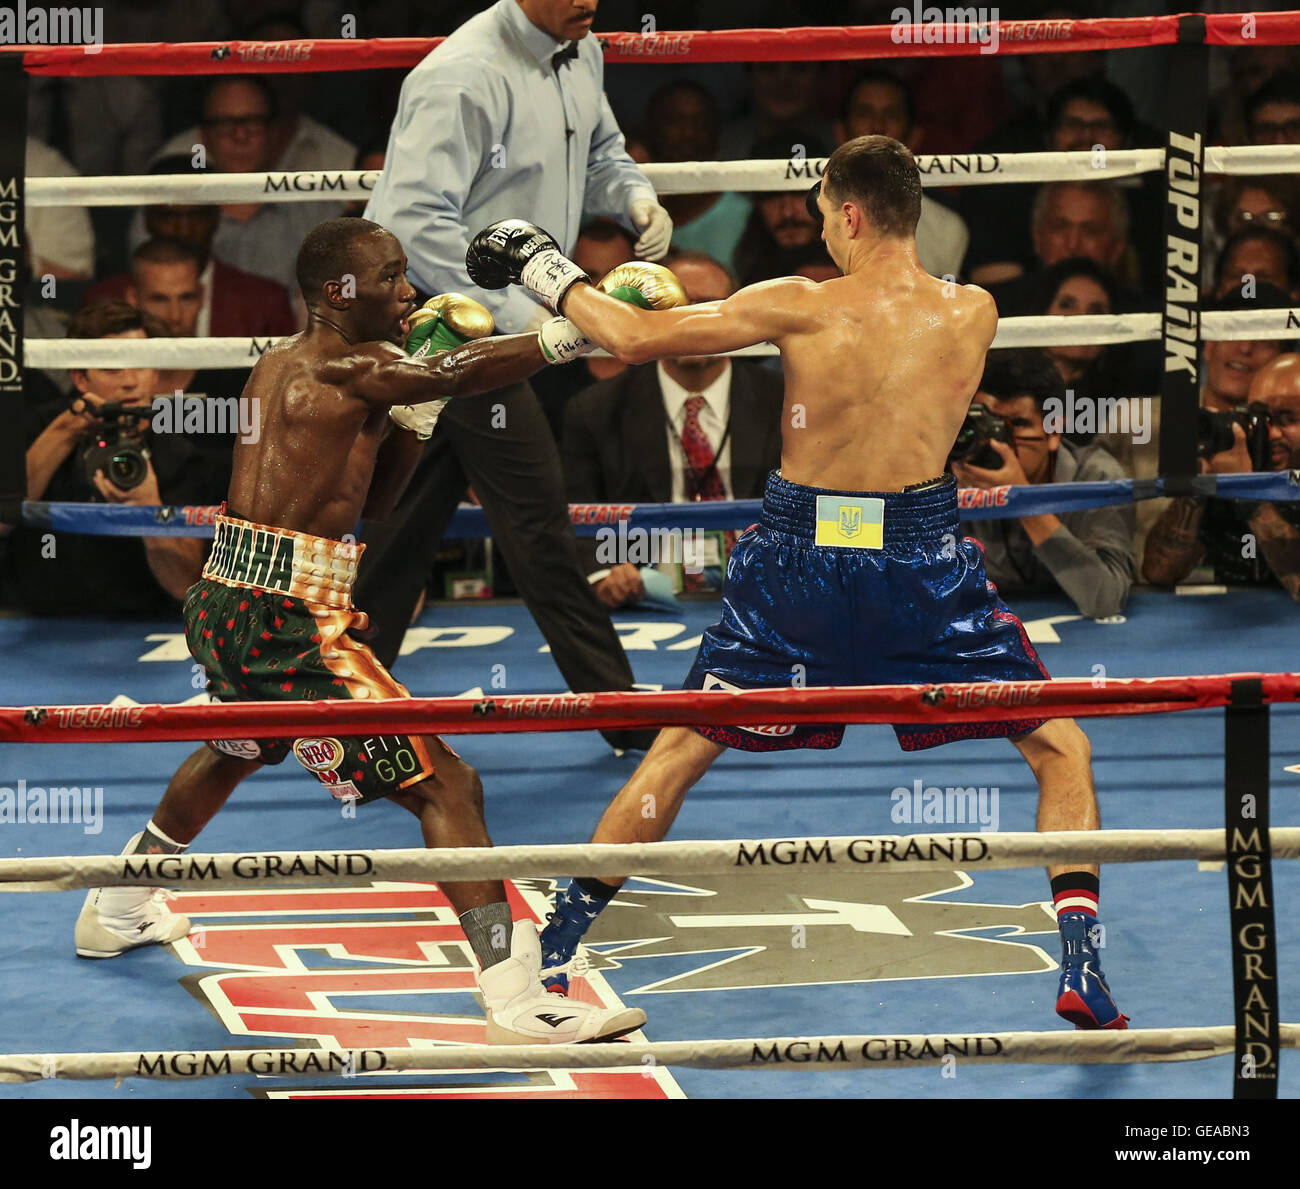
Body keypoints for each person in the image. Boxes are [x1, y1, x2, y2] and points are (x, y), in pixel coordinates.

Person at [468, 134, 1128, 1031]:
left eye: (824, 214)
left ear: (849, 214)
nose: (822, 229)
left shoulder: (798, 303)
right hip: (920, 563)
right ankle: (1082, 966)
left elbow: (634, 336)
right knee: (1061, 747)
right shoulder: (972, 310)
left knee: (680, 751)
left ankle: (552, 954)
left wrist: (547, 271)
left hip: (798, 563)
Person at [72, 217, 644, 1047]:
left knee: (242, 742)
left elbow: (372, 504)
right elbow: (454, 364)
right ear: (341, 291)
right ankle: (516, 995)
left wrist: (421, 412)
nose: (407, 291)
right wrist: (565, 329)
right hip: (285, 617)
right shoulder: (349, 362)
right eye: (391, 276)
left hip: (238, 595)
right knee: (446, 782)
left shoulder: (286, 368)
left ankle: (117, 903)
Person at [358, 0, 674, 752]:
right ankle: (620, 712)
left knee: (405, 526)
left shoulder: (580, 47)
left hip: (495, 320)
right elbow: (410, 219)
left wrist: (632, 196)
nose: (587, 1)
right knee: (536, 523)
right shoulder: (463, 76)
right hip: (449, 321)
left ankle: (343, 707)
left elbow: (598, 153)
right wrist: (509, 314)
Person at [562, 250, 783, 608]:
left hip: (764, 595)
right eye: (676, 304)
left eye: (708, 305)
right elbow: (574, 515)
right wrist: (605, 574)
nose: (690, 318)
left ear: (738, 314)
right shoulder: (596, 410)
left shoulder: (784, 402)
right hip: (647, 599)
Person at [0, 302, 214, 616]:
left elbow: (184, 586)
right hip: (34, 621)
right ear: (80, 378)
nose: (130, 381)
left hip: (141, 626)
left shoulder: (179, 456)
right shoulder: (37, 428)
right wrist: (63, 433)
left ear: (155, 373)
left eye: (140, 364)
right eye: (113, 367)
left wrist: (150, 511)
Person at [953, 350, 1136, 621]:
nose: (998, 441)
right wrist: (949, 505)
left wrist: (1023, 501)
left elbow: (1105, 599)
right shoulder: (944, 476)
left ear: (1053, 432)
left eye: (1017, 424)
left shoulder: (1095, 477)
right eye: (984, 424)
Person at [1142, 353, 1300, 599]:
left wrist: (1248, 491)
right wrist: (1198, 485)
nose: (1271, 433)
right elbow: (1159, 572)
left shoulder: (1244, 477)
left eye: (1288, 419)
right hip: (1240, 630)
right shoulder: (1240, 470)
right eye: (1260, 418)